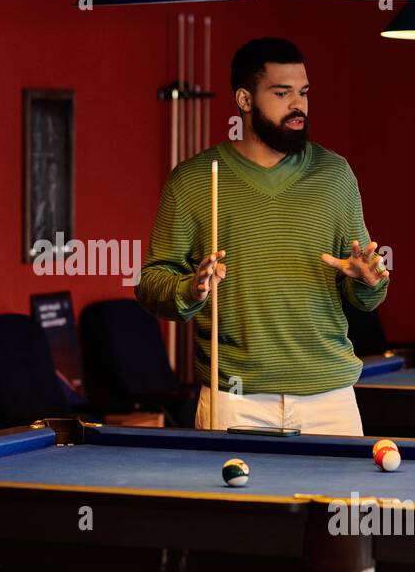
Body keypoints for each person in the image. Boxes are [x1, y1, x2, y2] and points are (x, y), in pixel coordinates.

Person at [137, 37, 389, 435]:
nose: (298, 105)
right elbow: (151, 285)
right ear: (244, 99)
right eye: (282, 92)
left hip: (330, 399)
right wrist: (191, 289)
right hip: (235, 400)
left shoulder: (335, 175)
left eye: (303, 92)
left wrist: (368, 282)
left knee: (339, 500)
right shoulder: (193, 179)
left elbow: (367, 295)